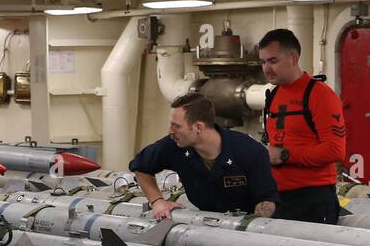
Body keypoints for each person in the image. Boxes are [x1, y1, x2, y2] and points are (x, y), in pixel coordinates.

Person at [130, 92, 277, 220]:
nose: (170, 131)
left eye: (177, 126)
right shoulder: (173, 146)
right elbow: (141, 167)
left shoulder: (249, 151)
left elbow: (266, 201)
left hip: (245, 230)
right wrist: (157, 201)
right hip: (205, 224)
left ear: (199, 127)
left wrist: (249, 232)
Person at [258, 28, 346, 225]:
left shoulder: (320, 95)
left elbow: (335, 150)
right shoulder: (273, 95)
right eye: (263, 62)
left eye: (273, 61)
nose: (266, 69)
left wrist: (284, 155)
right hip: (279, 198)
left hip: (312, 200)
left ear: (294, 57)